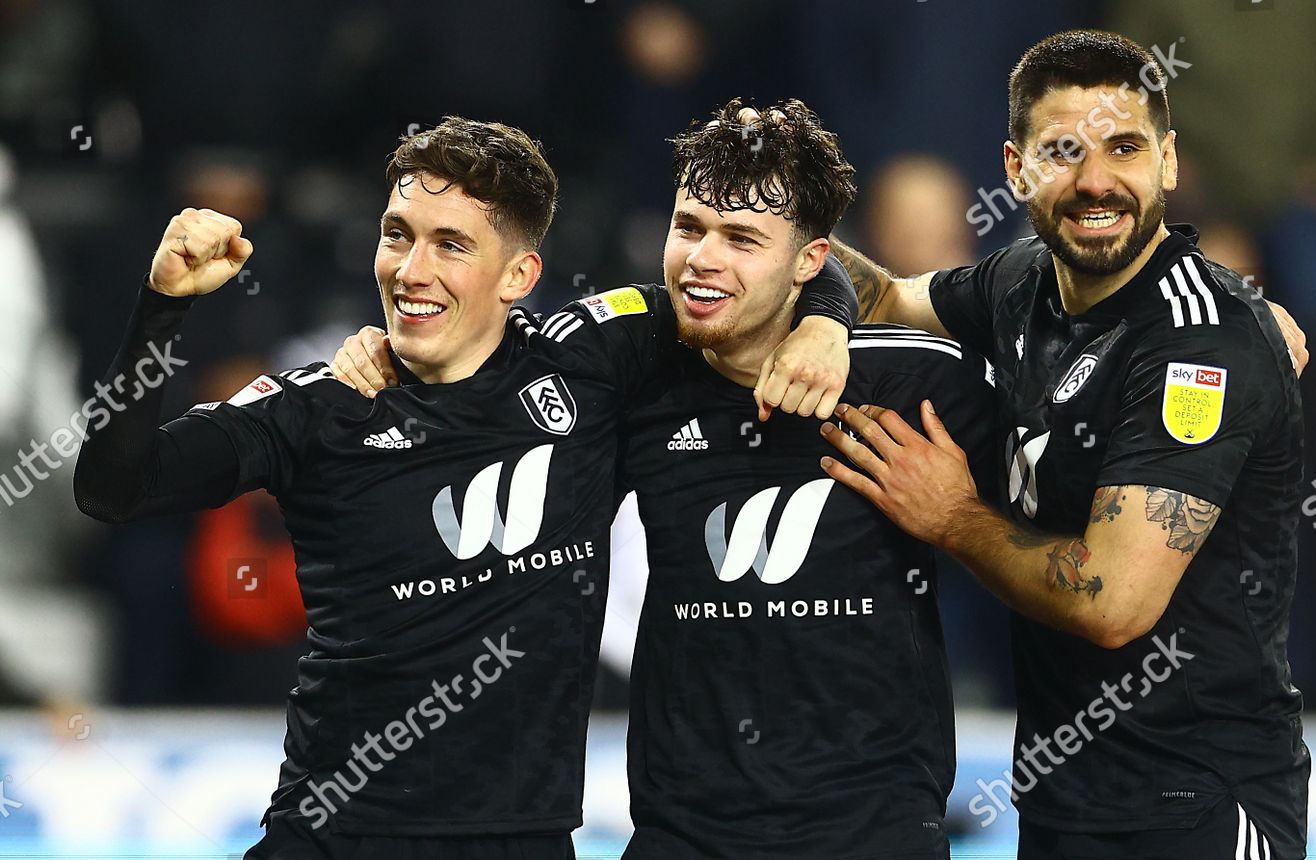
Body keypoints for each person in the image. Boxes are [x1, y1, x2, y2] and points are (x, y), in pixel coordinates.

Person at [73, 116, 852, 859]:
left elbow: (779, 273)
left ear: (520, 273)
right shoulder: (320, 405)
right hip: (341, 836)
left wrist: (824, 325)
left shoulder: (596, 359)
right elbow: (114, 489)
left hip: (529, 839)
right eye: (396, 236)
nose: (411, 272)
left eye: (451, 245)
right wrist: (162, 306)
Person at [335, 98, 997, 859]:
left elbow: (1068, 536)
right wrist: (395, 347)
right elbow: (483, 348)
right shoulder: (629, 359)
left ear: (811, 259)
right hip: (679, 832)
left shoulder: (921, 382)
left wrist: (958, 519)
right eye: (689, 228)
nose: (702, 258)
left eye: (741, 237)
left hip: (874, 836)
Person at [822, 30, 1311, 860]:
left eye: (1124, 147)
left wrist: (953, 517)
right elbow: (892, 296)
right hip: (1064, 802)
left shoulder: (1200, 341)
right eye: (1062, 151)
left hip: (1196, 804)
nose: (1095, 181)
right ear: (1016, 170)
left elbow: (1112, 602)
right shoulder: (1021, 284)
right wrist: (777, 228)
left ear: (1168, 162)